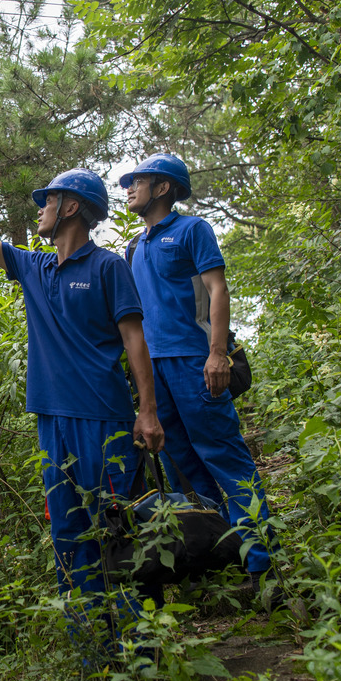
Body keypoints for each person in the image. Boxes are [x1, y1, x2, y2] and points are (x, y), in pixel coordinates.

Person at [0, 169, 165, 649]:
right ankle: (92, 654)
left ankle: (144, 652)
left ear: (71, 207)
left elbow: (134, 340)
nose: (40, 209)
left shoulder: (107, 267)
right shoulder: (34, 267)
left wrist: (148, 410)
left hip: (104, 420)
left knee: (118, 531)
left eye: (49, 201)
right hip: (51, 423)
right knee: (68, 533)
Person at [119, 153, 276, 595]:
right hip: (154, 374)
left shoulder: (192, 230)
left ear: (163, 187)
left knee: (224, 458)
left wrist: (217, 354)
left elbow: (217, 289)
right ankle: (224, 560)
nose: (129, 189)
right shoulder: (133, 247)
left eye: (137, 181)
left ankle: (264, 570)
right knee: (184, 468)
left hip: (195, 362)